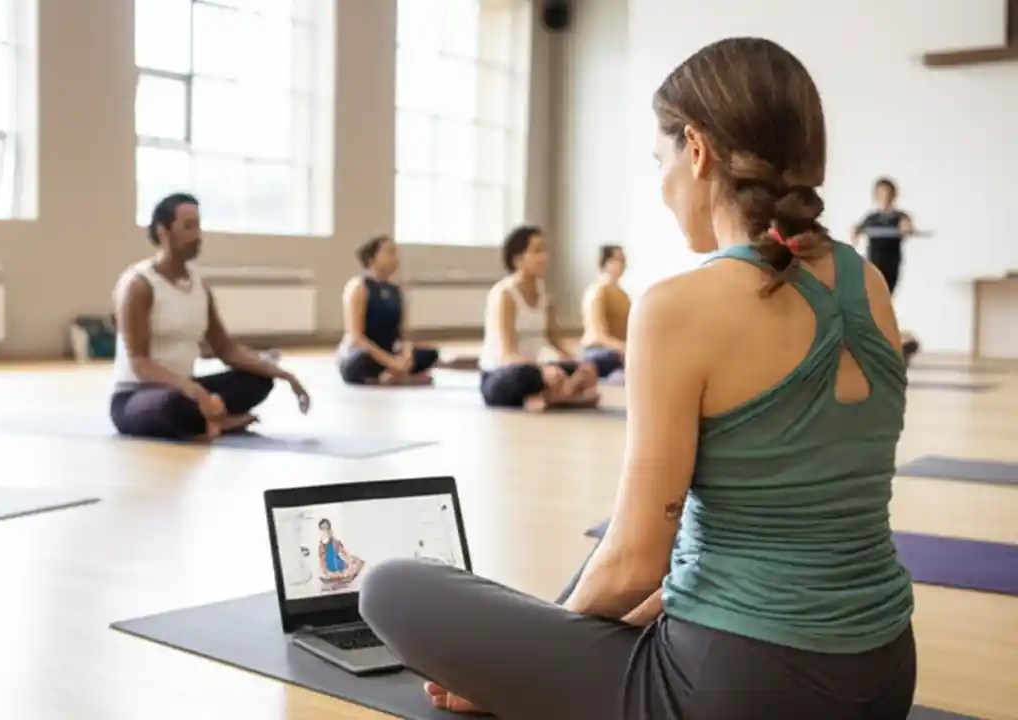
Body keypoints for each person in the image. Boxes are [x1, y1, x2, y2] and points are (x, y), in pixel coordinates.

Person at [361, 38, 916, 719]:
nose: (662, 185)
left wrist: (521, 672)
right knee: (626, 563)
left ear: (698, 148)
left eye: (661, 161)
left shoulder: (679, 304)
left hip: (738, 690)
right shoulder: (868, 283)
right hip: (885, 676)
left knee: (388, 586)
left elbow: (633, 562)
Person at [110, 193, 311, 441]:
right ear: (163, 231)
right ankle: (212, 417)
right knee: (172, 404)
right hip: (138, 396)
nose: (197, 235)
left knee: (259, 380)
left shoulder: (199, 286)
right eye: (188, 226)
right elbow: (138, 363)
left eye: (198, 225)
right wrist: (194, 391)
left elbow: (226, 348)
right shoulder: (138, 285)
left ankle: (207, 418)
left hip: (186, 389)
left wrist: (283, 374)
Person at [478, 226, 599, 412]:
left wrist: (582, 365)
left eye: (544, 250)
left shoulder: (545, 296)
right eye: (536, 251)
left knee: (574, 369)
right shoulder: (505, 295)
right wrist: (542, 371)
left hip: (538, 370)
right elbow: (507, 354)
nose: (544, 257)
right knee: (525, 376)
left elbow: (557, 342)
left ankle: (551, 395)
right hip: (503, 374)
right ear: (518, 259)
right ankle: (559, 395)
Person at [338, 235, 440, 386]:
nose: (395, 258)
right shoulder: (358, 287)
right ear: (372, 257)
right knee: (359, 363)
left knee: (430, 353)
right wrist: (392, 362)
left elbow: (403, 334)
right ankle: (391, 372)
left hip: (389, 351)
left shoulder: (396, 290)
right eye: (389, 252)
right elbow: (356, 338)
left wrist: (406, 355)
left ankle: (390, 373)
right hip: (366, 354)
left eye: (395, 253)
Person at [851, 179, 924, 363]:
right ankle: (885, 345)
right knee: (871, 305)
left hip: (891, 266)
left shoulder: (900, 216)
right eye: (880, 194)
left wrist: (907, 229)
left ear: (893, 196)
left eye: (887, 194)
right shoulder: (871, 218)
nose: (884, 198)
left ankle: (894, 344)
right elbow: (856, 233)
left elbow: (908, 230)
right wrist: (855, 231)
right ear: (876, 196)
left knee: (882, 305)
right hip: (872, 266)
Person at [580, 245, 631, 378]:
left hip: (619, 351)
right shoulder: (597, 291)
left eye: (622, 260)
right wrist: (624, 348)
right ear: (604, 262)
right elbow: (597, 335)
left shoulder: (624, 296)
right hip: (598, 352)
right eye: (615, 259)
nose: (620, 264)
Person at [317, 518, 364, 584]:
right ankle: (339, 575)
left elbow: (344, 553)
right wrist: (326, 572)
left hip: (339, 565)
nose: (325, 531)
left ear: (330, 529)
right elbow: (322, 560)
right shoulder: (321, 547)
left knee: (354, 561)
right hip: (331, 569)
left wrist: (350, 561)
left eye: (326, 528)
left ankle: (343, 574)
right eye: (323, 529)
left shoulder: (335, 542)